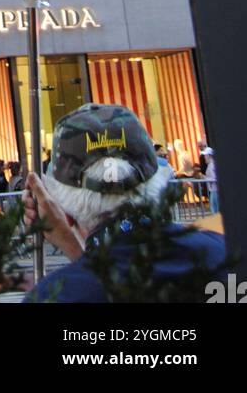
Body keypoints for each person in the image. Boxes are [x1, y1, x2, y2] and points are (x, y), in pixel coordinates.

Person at [22, 104, 226, 303]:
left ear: (66, 213)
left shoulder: (53, 294)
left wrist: (70, 244)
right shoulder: (225, 258)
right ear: (160, 182)